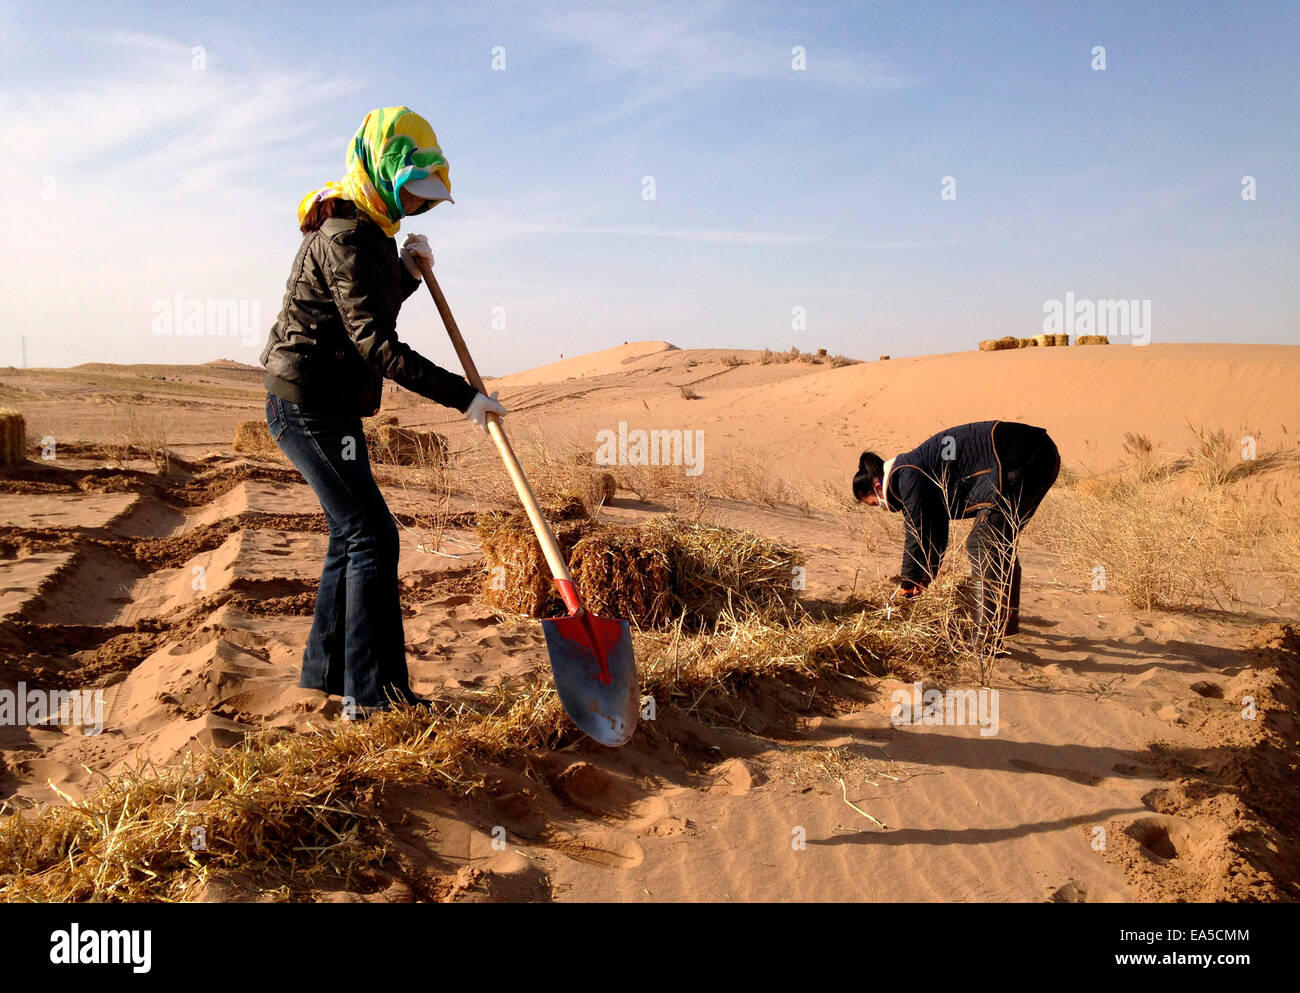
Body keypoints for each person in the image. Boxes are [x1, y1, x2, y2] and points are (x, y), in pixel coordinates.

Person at [261, 106, 507, 716]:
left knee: (352, 535)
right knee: (373, 535)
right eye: (413, 195)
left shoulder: (368, 230)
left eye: (425, 201)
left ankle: (330, 678)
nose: (419, 208)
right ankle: (373, 699)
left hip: (331, 406)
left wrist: (407, 271)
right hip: (305, 406)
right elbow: (376, 342)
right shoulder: (346, 236)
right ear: (380, 173)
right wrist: (465, 397)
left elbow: (372, 307)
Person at [853, 421, 1060, 640]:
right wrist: (926, 576)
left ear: (877, 486)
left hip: (1020, 455)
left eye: (875, 503)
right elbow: (936, 533)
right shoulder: (910, 473)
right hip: (1038, 453)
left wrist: (907, 583)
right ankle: (1007, 626)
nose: (882, 508)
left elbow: (916, 532)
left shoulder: (906, 475)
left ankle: (985, 639)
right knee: (999, 542)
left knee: (982, 543)